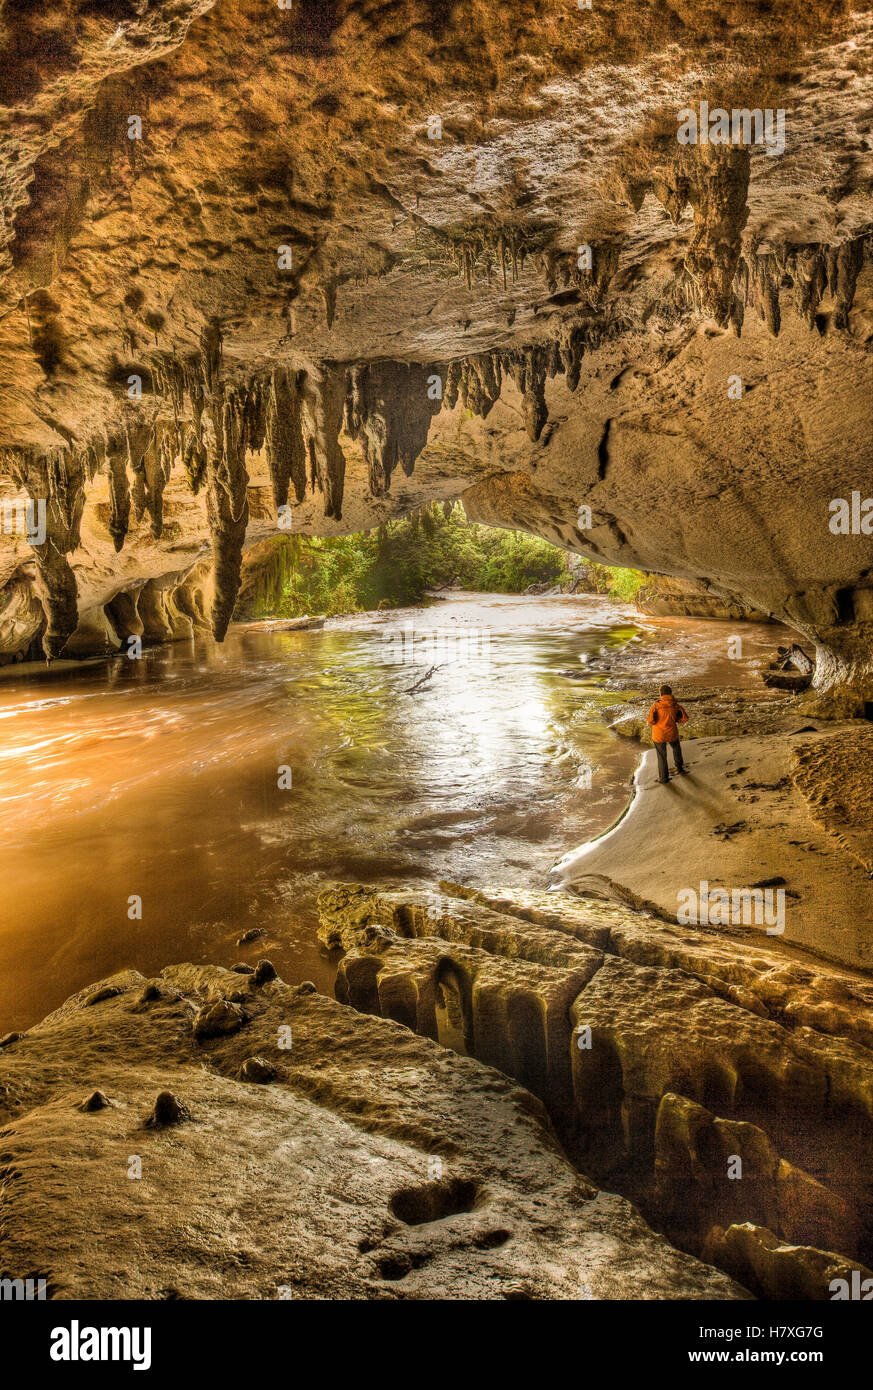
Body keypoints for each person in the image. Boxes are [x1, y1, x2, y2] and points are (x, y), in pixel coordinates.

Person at [646, 684, 689, 784]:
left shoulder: (655, 705)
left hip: (659, 735)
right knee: (676, 749)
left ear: (661, 694)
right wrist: (674, 719)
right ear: (670, 693)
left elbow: (651, 721)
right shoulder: (675, 705)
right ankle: (680, 769)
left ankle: (664, 778)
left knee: (662, 756)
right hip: (672, 733)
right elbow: (684, 718)